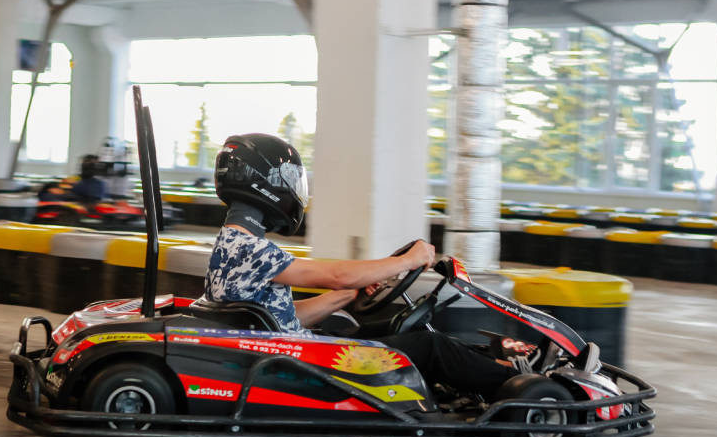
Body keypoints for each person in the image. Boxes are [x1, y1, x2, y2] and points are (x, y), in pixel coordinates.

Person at [199, 133, 518, 399]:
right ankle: (517, 389)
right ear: (264, 182)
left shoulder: (230, 244)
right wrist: (407, 260)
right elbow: (336, 275)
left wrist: (348, 295)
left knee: (396, 328)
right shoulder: (251, 250)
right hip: (303, 364)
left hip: (291, 349)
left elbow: (281, 316)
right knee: (429, 345)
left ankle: (487, 373)